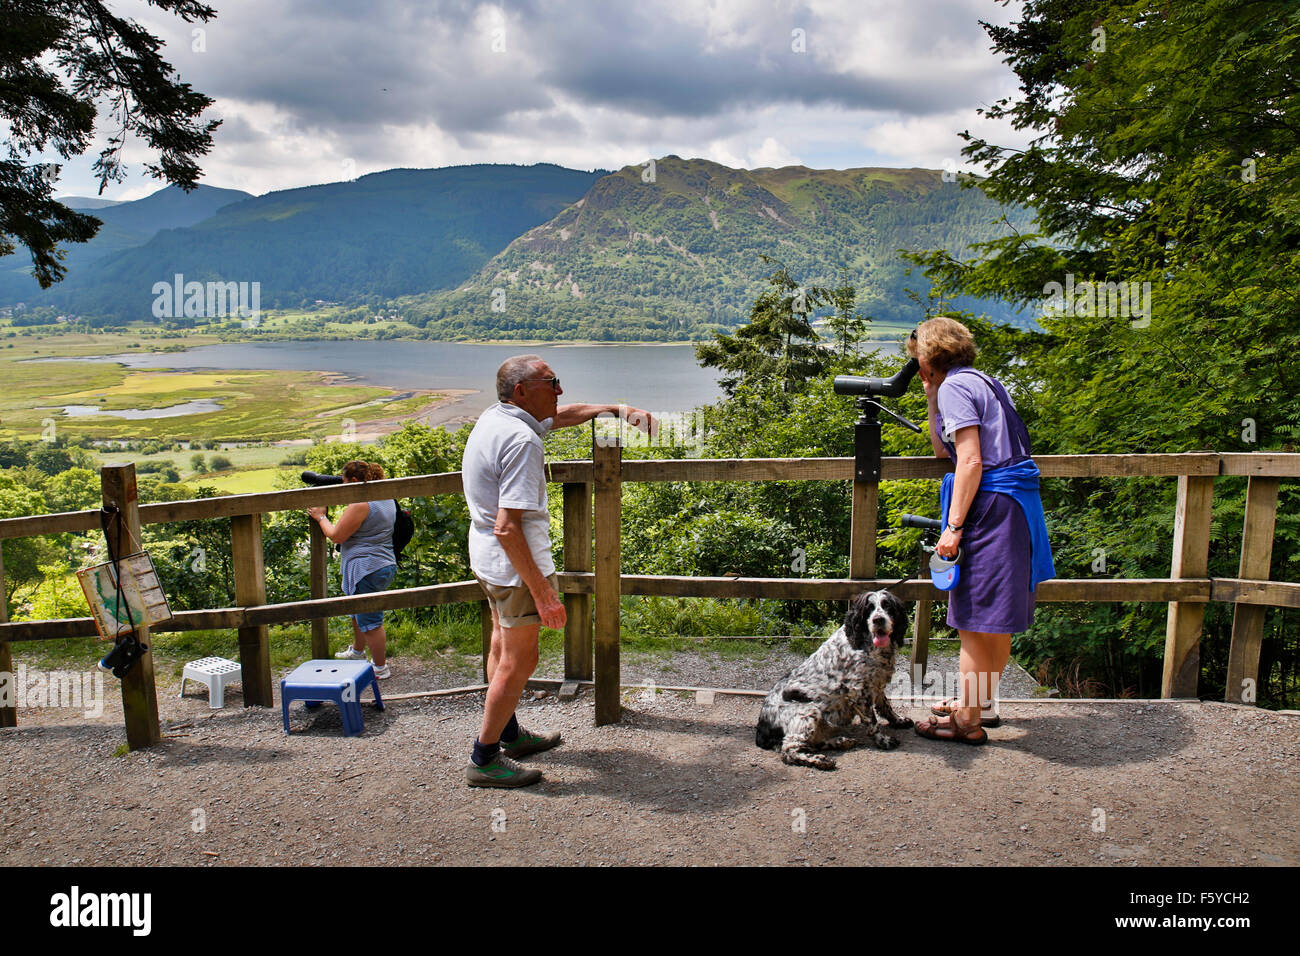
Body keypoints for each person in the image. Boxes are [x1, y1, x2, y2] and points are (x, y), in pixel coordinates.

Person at [461, 354, 652, 787]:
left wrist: (615, 410)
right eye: (553, 382)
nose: (561, 390)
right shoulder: (521, 441)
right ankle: (484, 757)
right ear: (523, 392)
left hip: (489, 562)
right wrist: (544, 594)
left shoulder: (497, 418)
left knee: (500, 644)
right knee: (520, 659)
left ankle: (508, 734)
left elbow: (563, 415)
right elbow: (509, 528)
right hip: (515, 566)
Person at [906, 317, 1054, 744]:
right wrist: (932, 396)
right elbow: (942, 449)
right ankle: (979, 704)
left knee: (972, 616)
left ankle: (966, 722)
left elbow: (968, 460)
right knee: (996, 619)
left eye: (918, 360)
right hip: (1015, 506)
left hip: (989, 506)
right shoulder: (984, 382)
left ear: (929, 358)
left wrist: (953, 528)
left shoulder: (956, 387)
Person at [306, 460, 398, 679]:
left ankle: (380, 667)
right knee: (360, 611)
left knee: (371, 621)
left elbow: (337, 535)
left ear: (355, 481)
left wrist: (320, 517)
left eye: (344, 482)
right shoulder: (386, 495)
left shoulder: (361, 504)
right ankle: (357, 652)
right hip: (383, 563)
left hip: (367, 566)